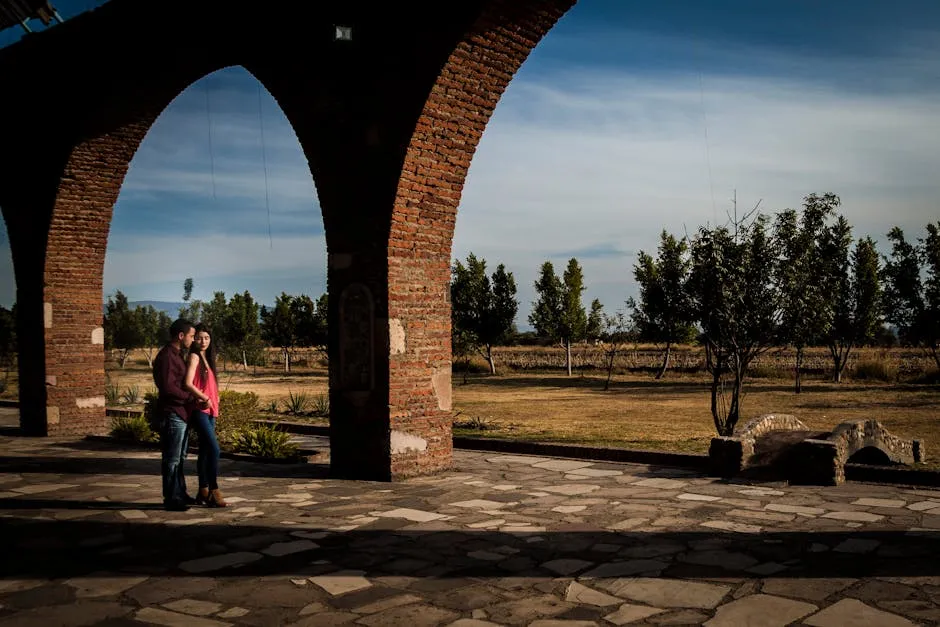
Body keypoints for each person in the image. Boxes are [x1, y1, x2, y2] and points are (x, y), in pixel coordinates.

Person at [152, 318, 197, 511]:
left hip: (181, 414)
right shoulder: (167, 357)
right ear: (181, 336)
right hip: (173, 413)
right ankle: (171, 498)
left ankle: (180, 493)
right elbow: (168, 387)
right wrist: (189, 397)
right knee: (171, 459)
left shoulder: (177, 354)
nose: (193, 340)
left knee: (179, 457)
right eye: (191, 336)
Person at [183, 323, 228, 507]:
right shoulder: (194, 356)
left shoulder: (207, 357)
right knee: (214, 449)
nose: (203, 341)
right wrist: (204, 397)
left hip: (210, 409)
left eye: (207, 338)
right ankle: (213, 490)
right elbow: (187, 383)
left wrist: (214, 402)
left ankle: (202, 491)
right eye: (200, 337)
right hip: (200, 409)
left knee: (204, 451)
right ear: (194, 339)